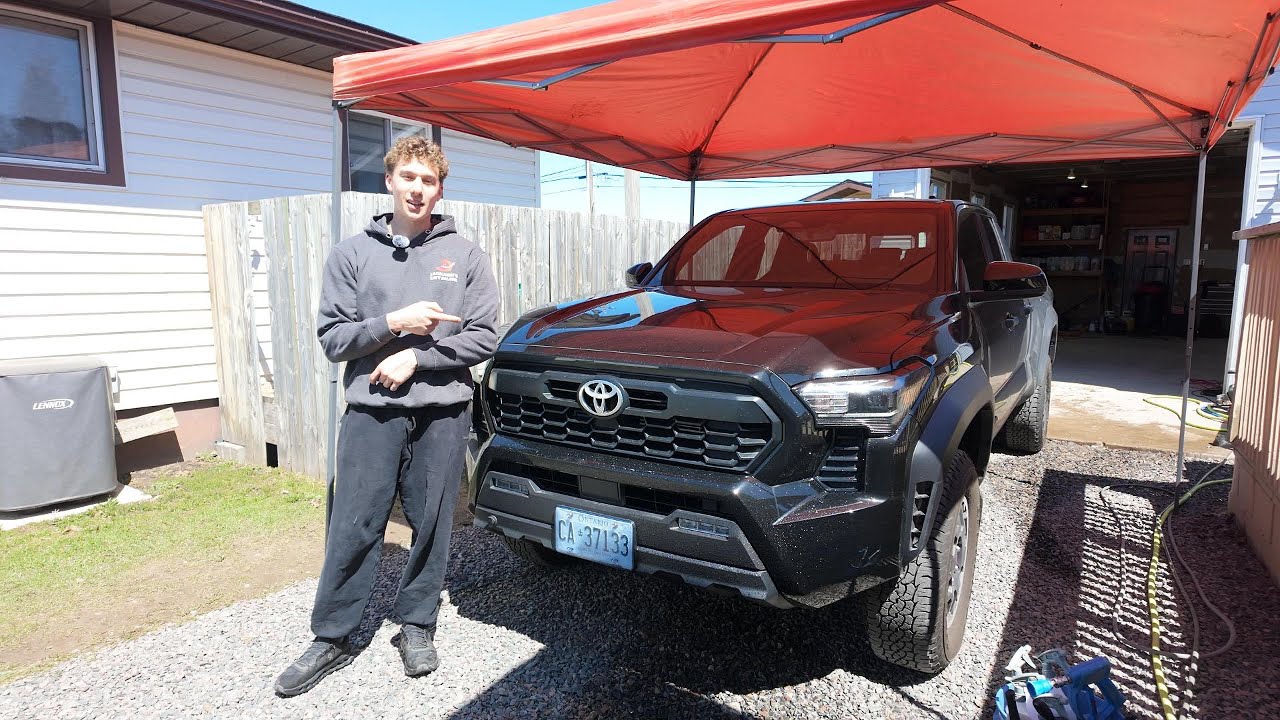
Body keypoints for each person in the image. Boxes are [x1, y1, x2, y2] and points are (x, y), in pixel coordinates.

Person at [275, 135, 499, 696]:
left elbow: (484, 336)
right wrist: (394, 323)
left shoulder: (465, 256)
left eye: (429, 180)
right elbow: (333, 339)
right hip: (372, 412)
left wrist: (416, 358)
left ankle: (417, 624)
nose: (418, 189)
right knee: (354, 522)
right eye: (408, 178)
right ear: (389, 181)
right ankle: (333, 635)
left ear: (439, 188)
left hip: (444, 414)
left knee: (432, 523)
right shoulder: (353, 254)